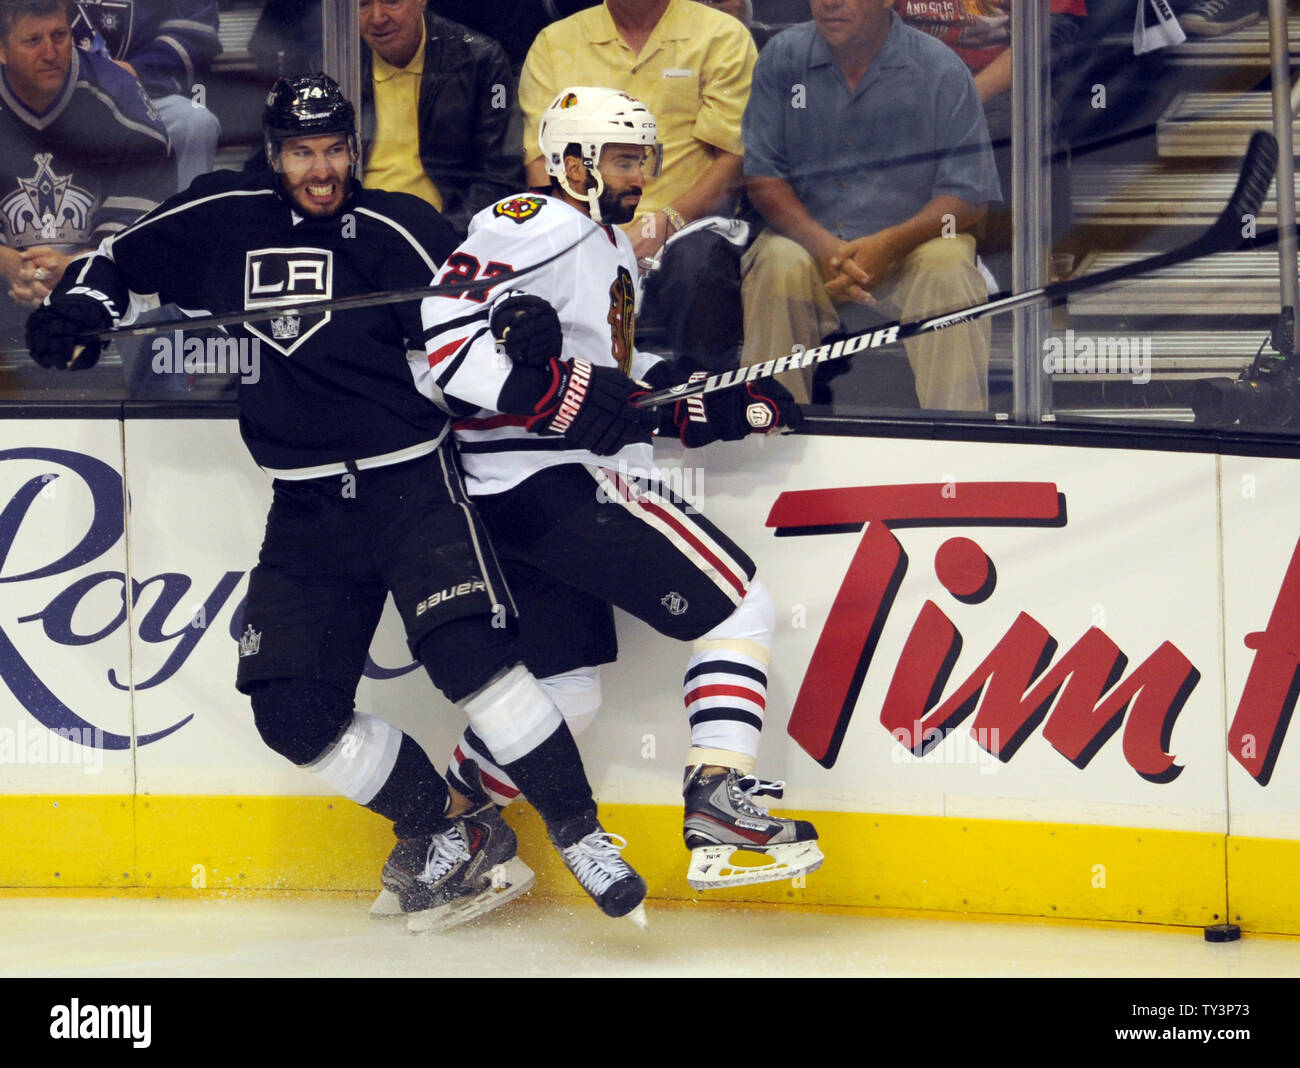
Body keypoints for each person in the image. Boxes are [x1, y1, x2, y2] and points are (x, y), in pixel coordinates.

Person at [24, 73, 647, 932]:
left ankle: (582, 833)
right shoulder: (221, 218)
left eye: (335, 151)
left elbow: (487, 305)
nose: (322, 171)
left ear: (354, 150)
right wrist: (79, 309)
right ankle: (444, 830)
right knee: (289, 709)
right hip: (306, 508)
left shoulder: (401, 226)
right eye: (303, 153)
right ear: (274, 156)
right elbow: (119, 263)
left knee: (471, 660)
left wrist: (521, 327)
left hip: (410, 487)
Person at [417, 86, 823, 893]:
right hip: (556, 480)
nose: (641, 173)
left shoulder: (601, 240)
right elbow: (441, 342)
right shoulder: (530, 222)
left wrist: (706, 399)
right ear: (574, 161)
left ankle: (451, 831)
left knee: (563, 698)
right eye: (624, 158)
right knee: (739, 604)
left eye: (645, 158)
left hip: (520, 496)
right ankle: (718, 794)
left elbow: (610, 375)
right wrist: (551, 397)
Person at [740, 0, 1001, 410]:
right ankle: (766, 429)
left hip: (912, 246)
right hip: (808, 245)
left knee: (949, 266)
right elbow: (762, 177)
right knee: (776, 261)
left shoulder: (940, 68)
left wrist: (890, 244)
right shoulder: (783, 57)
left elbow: (968, 198)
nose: (830, 3)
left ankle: (960, 444)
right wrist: (825, 248)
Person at [517, 0, 757, 375]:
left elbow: (734, 158)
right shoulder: (554, 42)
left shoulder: (722, 36)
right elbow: (541, 160)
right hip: (583, 222)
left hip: (689, 223)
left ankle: (699, 402)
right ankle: (565, 406)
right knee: (540, 267)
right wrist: (585, 234)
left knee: (699, 266)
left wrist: (664, 222)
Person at [0, 0, 173, 348]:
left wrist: (82, 263)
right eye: (33, 41)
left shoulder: (117, 91)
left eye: (59, 35)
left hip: (100, 268)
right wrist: (4, 260)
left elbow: (150, 198)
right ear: (1, 50)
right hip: (6, 276)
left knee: (155, 286)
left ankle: (162, 404)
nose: (51, 52)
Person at [359, 0, 524, 239]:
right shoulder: (337, 59)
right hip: (359, 231)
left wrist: (440, 235)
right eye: (362, 5)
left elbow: (500, 176)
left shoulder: (480, 60)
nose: (377, 18)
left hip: (446, 232)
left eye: (391, 2)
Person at [68, 0, 223, 188]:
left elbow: (194, 36)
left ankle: (188, 214)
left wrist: (133, 71)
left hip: (146, 93)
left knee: (193, 123)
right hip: (59, 96)